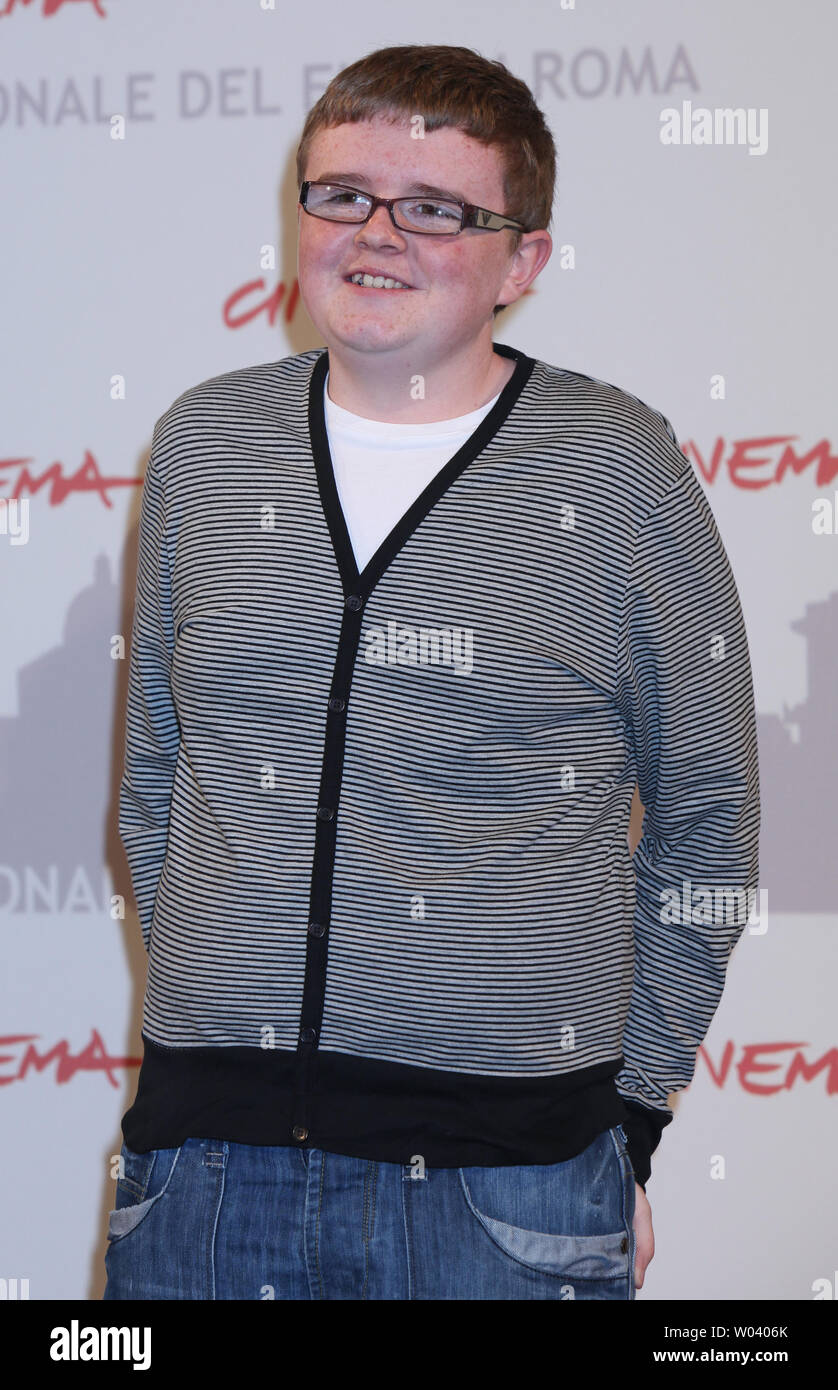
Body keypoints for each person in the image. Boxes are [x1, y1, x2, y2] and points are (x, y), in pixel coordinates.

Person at [104, 43, 760, 1301]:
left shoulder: (619, 469)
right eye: (342, 192)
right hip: (202, 1174)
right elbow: (159, 779)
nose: (377, 233)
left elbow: (709, 816)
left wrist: (626, 1116)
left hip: (504, 1189)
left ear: (522, 260)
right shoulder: (202, 440)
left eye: (436, 209)